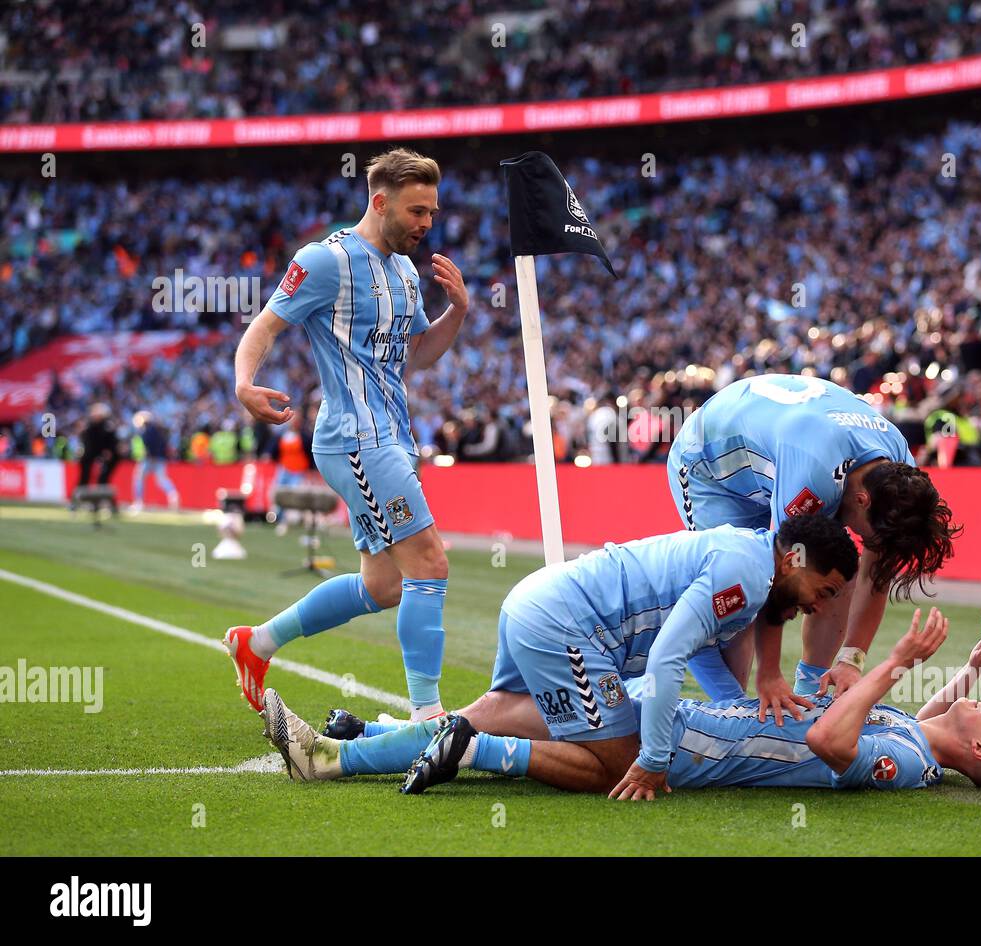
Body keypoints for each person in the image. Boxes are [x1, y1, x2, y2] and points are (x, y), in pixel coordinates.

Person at [262, 514, 859, 797]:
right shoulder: (748, 576)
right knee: (613, 763)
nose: (817, 607)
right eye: (824, 592)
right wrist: (651, 758)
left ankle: (335, 755)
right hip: (568, 628)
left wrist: (765, 684)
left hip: (539, 603)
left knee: (494, 709)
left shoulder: (747, 558)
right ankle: (476, 752)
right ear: (796, 559)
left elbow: (699, 647)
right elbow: (666, 662)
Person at [261, 610, 981, 796]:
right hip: (699, 717)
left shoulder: (906, 767)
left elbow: (834, 744)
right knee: (510, 702)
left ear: (979, 754)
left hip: (704, 746)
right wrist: (967, 673)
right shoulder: (921, 734)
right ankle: (373, 736)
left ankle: (337, 757)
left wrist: (895, 663)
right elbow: (928, 718)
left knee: (505, 719)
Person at [225, 148, 470, 722]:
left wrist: (456, 312)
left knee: (384, 585)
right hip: (356, 439)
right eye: (415, 211)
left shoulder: (406, 271)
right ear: (379, 202)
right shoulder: (326, 260)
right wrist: (244, 383)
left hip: (393, 439)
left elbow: (416, 356)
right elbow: (266, 323)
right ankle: (428, 717)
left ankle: (256, 644)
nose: (426, 224)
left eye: (432, 212)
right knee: (429, 563)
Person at [665, 373, 959, 723]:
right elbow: (777, 577)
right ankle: (730, 713)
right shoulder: (812, 478)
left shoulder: (898, 470)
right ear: (862, 500)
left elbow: (875, 573)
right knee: (738, 588)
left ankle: (811, 696)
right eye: (877, 538)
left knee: (837, 573)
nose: (876, 548)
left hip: (781, 450)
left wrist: (851, 660)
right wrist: (769, 673)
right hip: (710, 467)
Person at [128, 411, 179, 513]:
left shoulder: (147, 431)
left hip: (150, 459)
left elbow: (149, 445)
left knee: (139, 479)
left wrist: (150, 455)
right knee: (161, 480)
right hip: (159, 458)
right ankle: (173, 494)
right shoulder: (158, 430)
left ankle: (138, 502)